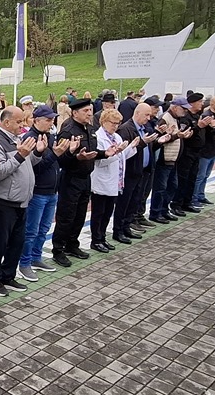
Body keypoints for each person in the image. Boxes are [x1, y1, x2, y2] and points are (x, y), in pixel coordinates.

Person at [0, 106, 41, 297]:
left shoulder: (17, 139)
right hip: (3, 201)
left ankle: (8, 276)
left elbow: (25, 163)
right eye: (19, 122)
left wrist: (38, 153)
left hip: (21, 201)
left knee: (17, 241)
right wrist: (20, 155)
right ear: (6, 122)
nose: (23, 125)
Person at [19, 105, 67, 279]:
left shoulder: (50, 137)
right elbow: (35, 168)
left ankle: (36, 257)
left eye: (52, 119)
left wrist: (65, 153)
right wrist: (54, 155)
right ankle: (24, 262)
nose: (51, 122)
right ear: (36, 120)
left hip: (52, 190)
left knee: (44, 228)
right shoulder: (30, 138)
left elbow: (55, 164)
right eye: (47, 120)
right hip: (38, 191)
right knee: (31, 230)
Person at [51, 98, 100, 264]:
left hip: (86, 178)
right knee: (66, 216)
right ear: (75, 113)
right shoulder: (68, 130)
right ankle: (58, 249)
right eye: (85, 111)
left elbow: (92, 151)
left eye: (90, 110)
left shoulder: (90, 128)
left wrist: (105, 153)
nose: (89, 113)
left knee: (80, 215)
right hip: (71, 179)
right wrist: (75, 156)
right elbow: (61, 160)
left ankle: (72, 244)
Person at [113, 102, 161, 241]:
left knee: (134, 202)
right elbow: (125, 154)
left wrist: (159, 141)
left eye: (150, 115)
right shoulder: (126, 129)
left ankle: (127, 227)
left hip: (141, 172)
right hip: (129, 173)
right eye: (146, 115)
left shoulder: (144, 128)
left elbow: (148, 147)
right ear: (137, 113)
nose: (148, 118)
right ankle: (119, 230)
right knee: (124, 203)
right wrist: (142, 143)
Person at [89, 109, 133, 252]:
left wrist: (131, 148)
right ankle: (96, 240)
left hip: (115, 181)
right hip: (101, 182)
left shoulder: (117, 137)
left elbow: (121, 159)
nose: (115, 126)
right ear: (104, 122)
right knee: (98, 213)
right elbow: (100, 162)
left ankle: (102, 238)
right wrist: (116, 152)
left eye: (117, 123)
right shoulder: (99, 138)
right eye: (113, 123)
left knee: (108, 212)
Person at [149, 99, 189, 224]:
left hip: (173, 158)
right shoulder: (165, 118)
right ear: (175, 107)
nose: (185, 111)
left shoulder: (176, 119)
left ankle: (164, 210)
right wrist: (177, 136)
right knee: (161, 188)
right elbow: (160, 139)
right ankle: (156, 212)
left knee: (172, 186)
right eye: (183, 108)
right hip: (164, 159)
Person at [171, 93, 205, 216]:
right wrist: (198, 127)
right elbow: (186, 134)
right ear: (193, 103)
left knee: (192, 178)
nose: (202, 104)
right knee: (182, 179)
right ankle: (177, 204)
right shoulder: (186, 117)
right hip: (187, 152)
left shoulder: (197, 116)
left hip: (196, 152)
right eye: (200, 101)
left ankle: (187, 202)